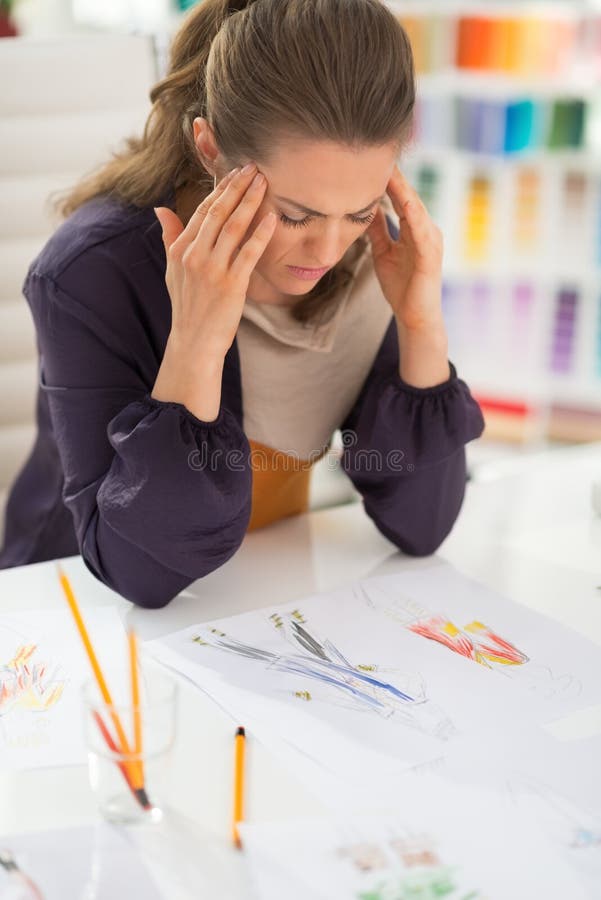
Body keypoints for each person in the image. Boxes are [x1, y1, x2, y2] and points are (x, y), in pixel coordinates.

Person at [0, 0, 485, 607]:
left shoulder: (373, 254)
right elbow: (138, 577)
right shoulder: (90, 271)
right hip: (74, 609)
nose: (329, 249)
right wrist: (197, 344)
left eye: (359, 210)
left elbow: (423, 525)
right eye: (294, 214)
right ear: (209, 147)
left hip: (259, 589)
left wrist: (420, 324)